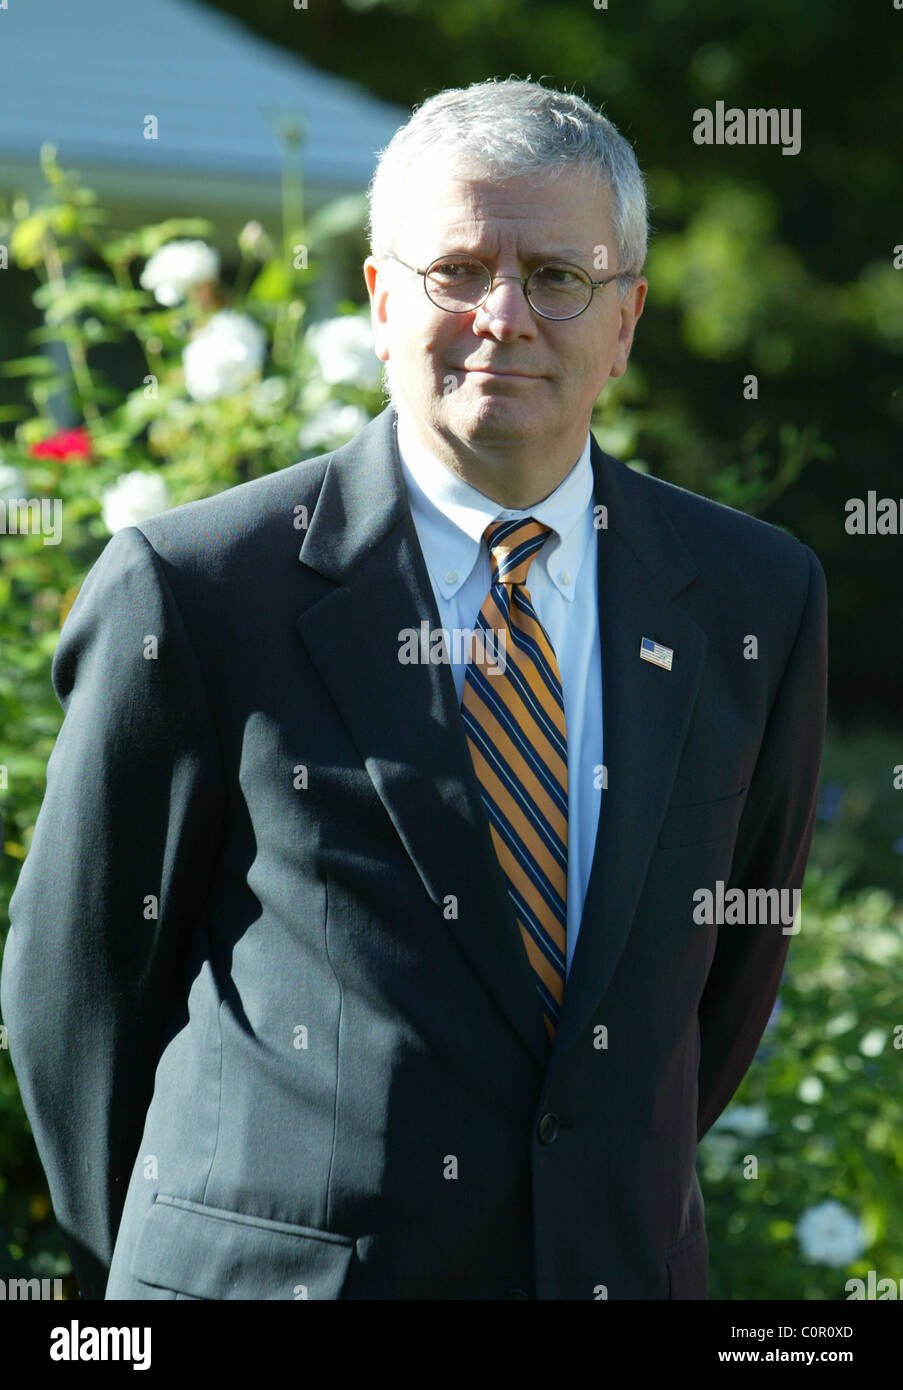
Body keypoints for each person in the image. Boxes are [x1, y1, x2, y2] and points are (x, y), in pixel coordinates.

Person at [0, 77, 827, 1300]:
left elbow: (721, 985)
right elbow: (77, 995)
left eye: (559, 276)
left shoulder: (756, 598)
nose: (507, 316)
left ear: (627, 320)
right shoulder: (197, 591)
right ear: (384, 301)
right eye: (458, 271)